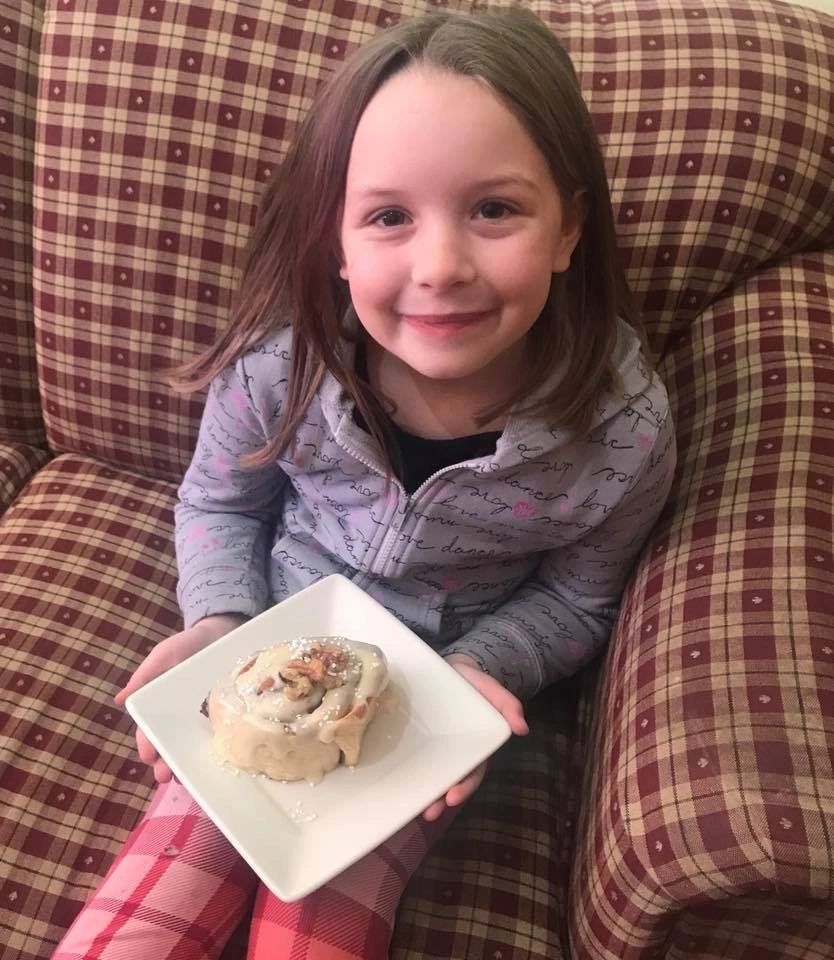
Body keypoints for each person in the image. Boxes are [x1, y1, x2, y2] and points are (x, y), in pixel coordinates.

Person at [53, 7, 676, 959]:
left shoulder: (623, 430)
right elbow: (220, 500)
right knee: (166, 881)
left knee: (322, 918)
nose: (441, 266)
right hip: (264, 668)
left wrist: (482, 671)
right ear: (337, 244)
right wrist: (218, 621)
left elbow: (579, 599)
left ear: (568, 229)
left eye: (494, 209)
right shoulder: (280, 369)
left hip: (427, 710)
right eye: (389, 217)